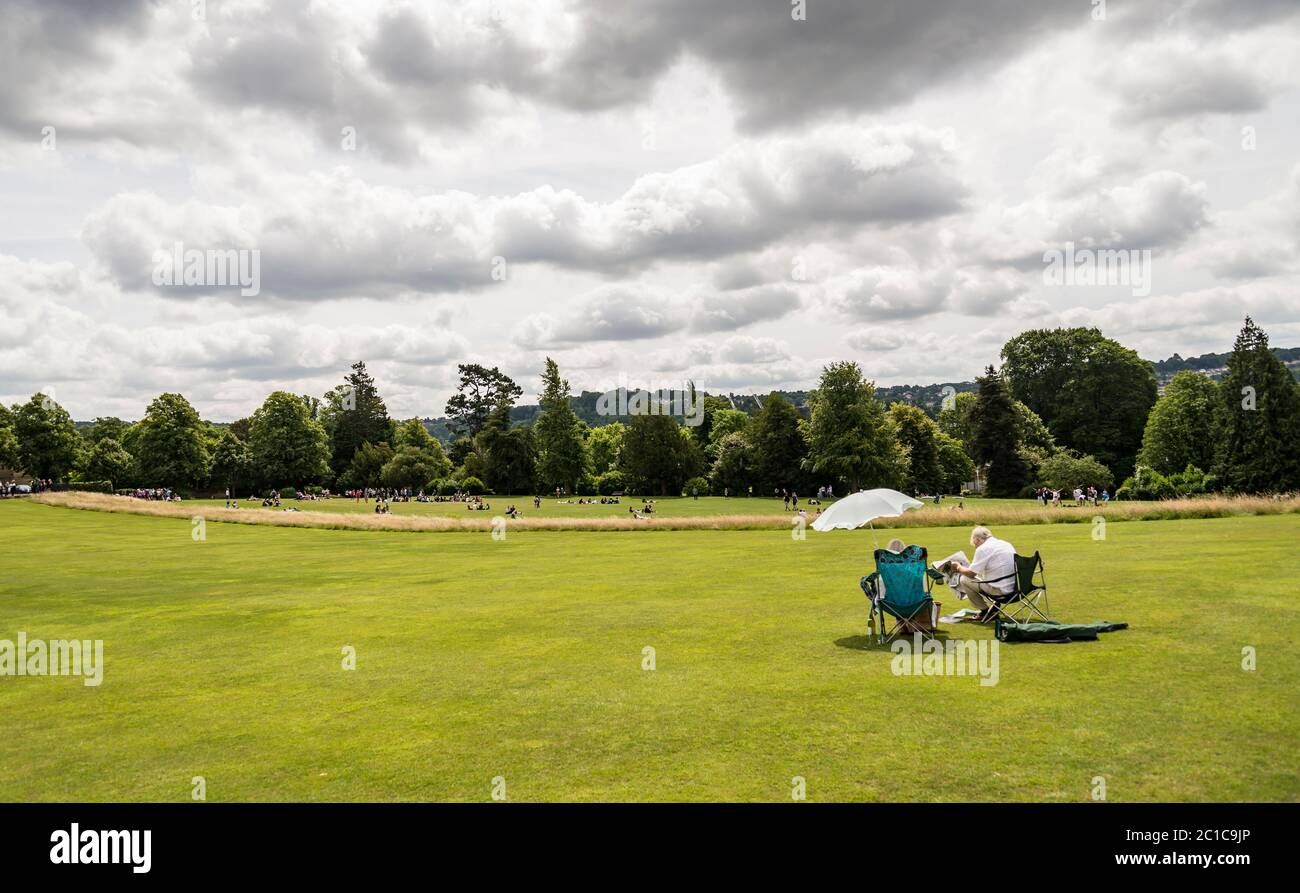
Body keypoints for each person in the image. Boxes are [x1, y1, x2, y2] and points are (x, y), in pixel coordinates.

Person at [952, 526, 1017, 621]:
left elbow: (971, 574)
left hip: (1001, 591)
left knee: (964, 579)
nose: (976, 547)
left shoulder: (983, 548)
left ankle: (985, 611)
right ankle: (993, 607)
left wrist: (958, 567)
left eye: (975, 544)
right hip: (1016, 589)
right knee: (982, 578)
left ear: (977, 540)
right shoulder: (1006, 544)